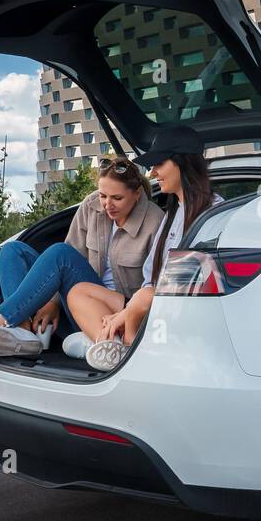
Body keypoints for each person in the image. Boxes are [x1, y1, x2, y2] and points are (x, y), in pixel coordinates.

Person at [0, 156, 164, 366]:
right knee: (12, 250)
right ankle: (22, 331)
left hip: (116, 314)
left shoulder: (155, 221)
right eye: (103, 195)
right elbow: (73, 255)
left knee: (59, 253)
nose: (107, 204)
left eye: (117, 198)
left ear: (137, 194)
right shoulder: (92, 205)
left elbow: (151, 292)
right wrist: (52, 302)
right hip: (76, 303)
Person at [67, 125, 223, 370]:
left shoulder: (213, 215)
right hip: (145, 306)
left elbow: (191, 282)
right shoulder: (173, 213)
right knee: (78, 292)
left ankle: (115, 344)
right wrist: (127, 312)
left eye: (159, 164)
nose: (153, 173)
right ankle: (111, 343)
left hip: (173, 312)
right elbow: (150, 276)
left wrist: (128, 313)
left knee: (144, 297)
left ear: (183, 163)